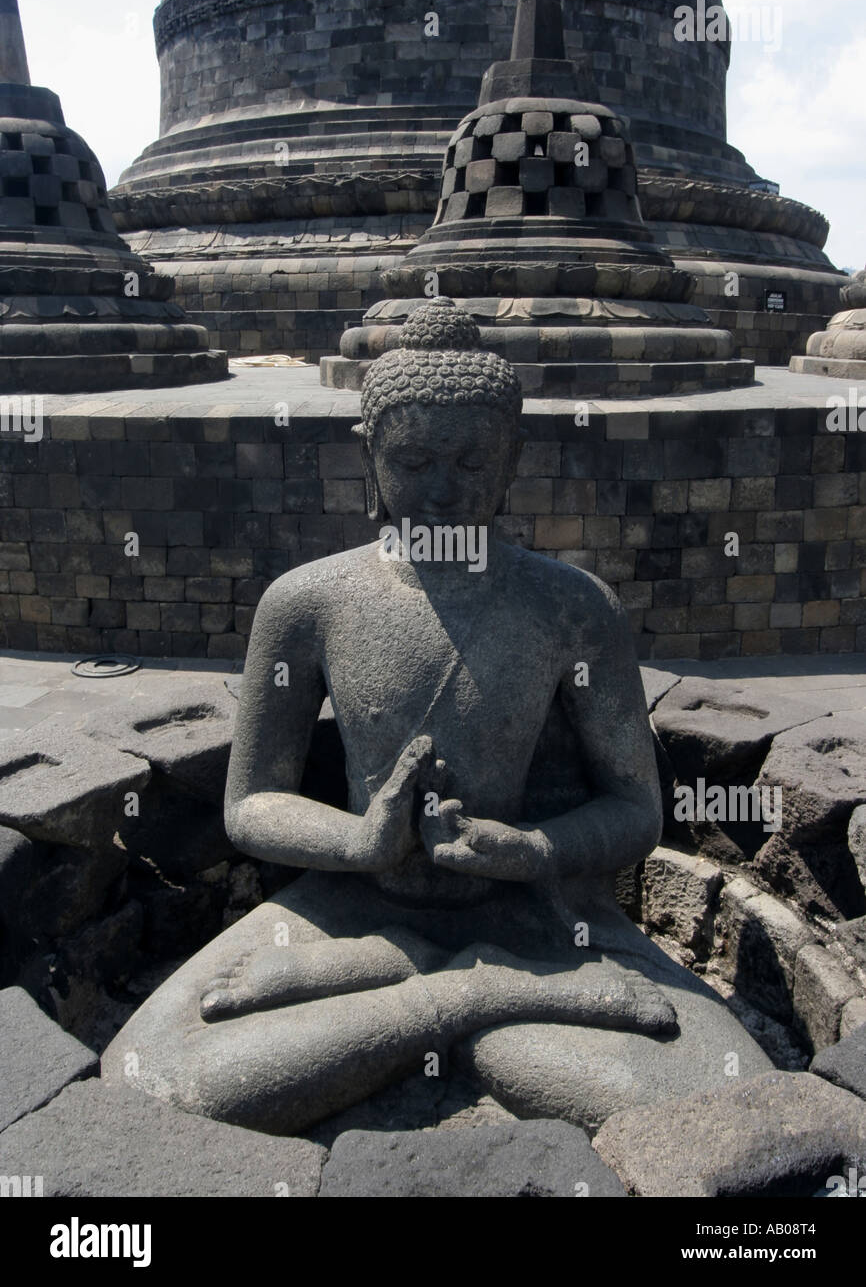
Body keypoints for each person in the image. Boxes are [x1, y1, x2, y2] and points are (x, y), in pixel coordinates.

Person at [102, 300, 770, 1135]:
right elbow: (250, 805)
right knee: (163, 1075)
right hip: (351, 907)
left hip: (531, 912)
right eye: (414, 461)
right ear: (369, 460)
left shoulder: (569, 607)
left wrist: (530, 850)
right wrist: (357, 842)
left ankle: (424, 990)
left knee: (716, 1098)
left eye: (470, 462)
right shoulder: (307, 603)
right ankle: (472, 993)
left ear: (511, 461)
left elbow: (637, 808)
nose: (444, 490)